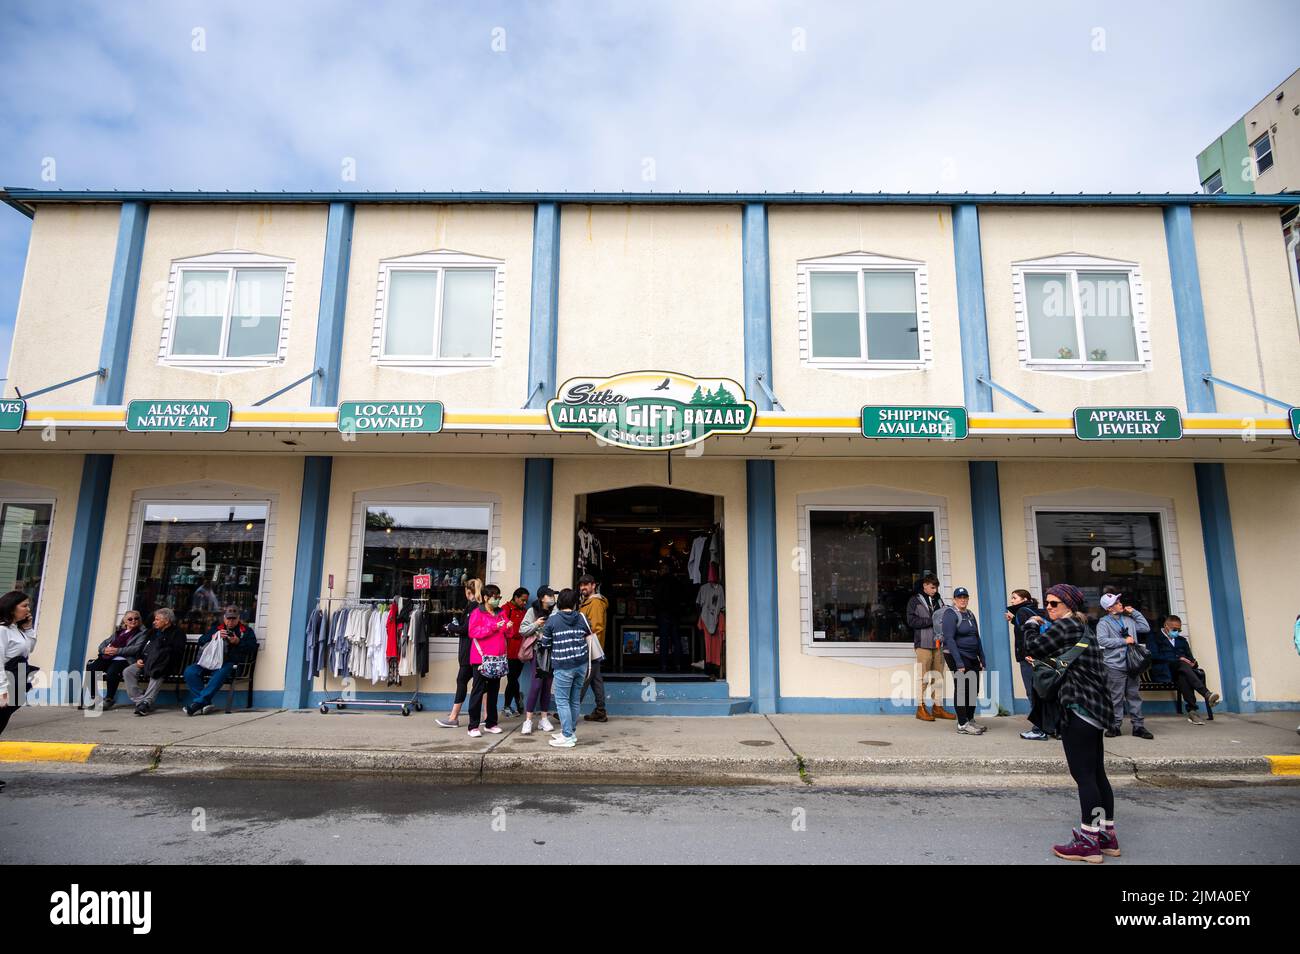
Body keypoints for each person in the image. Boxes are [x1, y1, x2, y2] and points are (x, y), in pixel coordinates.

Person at [1022, 583, 1117, 863]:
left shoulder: (1064, 627)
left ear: (1069, 606)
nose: (1049, 609)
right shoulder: (1084, 629)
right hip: (1097, 711)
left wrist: (1030, 622)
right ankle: (1105, 836)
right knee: (1097, 774)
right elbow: (1067, 661)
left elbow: (1032, 645)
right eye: (1047, 604)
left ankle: (1088, 842)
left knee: (1084, 776)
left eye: (1054, 604)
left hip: (1078, 710)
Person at [1095, 590, 1153, 739]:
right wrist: (1123, 641)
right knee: (1116, 696)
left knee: (1134, 695)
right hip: (1114, 664)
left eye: (1119, 601)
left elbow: (1145, 627)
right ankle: (1115, 726)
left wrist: (1135, 613)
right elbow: (1101, 640)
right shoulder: (1103, 623)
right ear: (1109, 608)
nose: (1120, 604)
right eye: (1116, 603)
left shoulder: (1129, 620)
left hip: (1132, 664)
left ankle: (1138, 726)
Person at [539, 588, 591, 748]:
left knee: (562, 701)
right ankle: (570, 732)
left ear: (559, 601)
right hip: (581, 664)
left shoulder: (553, 620)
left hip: (563, 665)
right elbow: (589, 633)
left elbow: (545, 643)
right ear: (575, 602)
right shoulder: (582, 617)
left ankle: (567, 735)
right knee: (574, 700)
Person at [183, 606, 257, 716]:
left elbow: (252, 647)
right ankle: (205, 703)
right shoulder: (217, 628)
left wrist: (238, 642)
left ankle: (197, 704)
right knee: (190, 671)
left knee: (222, 671)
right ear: (224, 618)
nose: (230, 621)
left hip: (231, 664)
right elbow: (201, 640)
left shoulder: (246, 631)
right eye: (228, 618)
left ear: (238, 618)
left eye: (233, 619)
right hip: (210, 662)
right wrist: (214, 636)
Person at [1148, 615, 1220, 725]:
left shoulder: (1181, 641)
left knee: (1183, 674)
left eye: (1179, 630)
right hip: (1164, 671)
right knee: (1182, 665)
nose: (1177, 632)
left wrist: (1193, 663)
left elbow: (1190, 657)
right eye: (1174, 629)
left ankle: (1192, 712)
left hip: (1181, 672)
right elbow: (1153, 656)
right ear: (1166, 626)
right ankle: (1205, 694)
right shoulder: (1154, 637)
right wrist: (1178, 659)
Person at [0, 591, 38, 786]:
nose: (28, 609)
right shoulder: (2, 631)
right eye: (24, 605)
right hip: (5, 682)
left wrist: (29, 629)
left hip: (17, 681)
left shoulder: (17, 629)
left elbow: (28, 649)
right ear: (11, 607)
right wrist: (2, 691)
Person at [436, 579, 485, 728]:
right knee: (482, 684)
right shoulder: (481, 606)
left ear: (468, 592)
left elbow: (467, 629)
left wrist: (451, 627)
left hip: (469, 651)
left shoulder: (472, 606)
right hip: (477, 651)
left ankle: (454, 717)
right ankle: (486, 716)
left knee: (462, 681)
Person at [905, 575, 954, 721]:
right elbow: (911, 621)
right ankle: (920, 708)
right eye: (932, 587)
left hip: (939, 643)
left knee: (938, 677)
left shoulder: (939, 600)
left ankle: (937, 707)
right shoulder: (914, 601)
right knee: (923, 677)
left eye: (936, 587)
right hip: (923, 644)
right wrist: (931, 620)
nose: (935, 590)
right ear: (925, 586)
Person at [938, 587, 985, 735]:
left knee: (973, 689)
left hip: (972, 656)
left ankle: (970, 719)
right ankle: (962, 724)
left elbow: (977, 637)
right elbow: (949, 639)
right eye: (959, 597)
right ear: (954, 599)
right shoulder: (950, 614)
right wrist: (958, 662)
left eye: (965, 597)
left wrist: (982, 658)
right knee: (962, 689)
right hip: (957, 656)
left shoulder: (970, 614)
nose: (963, 599)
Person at [124, 608, 188, 716]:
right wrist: (139, 658)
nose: (154, 622)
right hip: (146, 662)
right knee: (128, 671)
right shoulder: (153, 632)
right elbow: (142, 647)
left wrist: (163, 646)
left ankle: (146, 702)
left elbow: (177, 652)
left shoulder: (178, 633)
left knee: (157, 671)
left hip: (166, 664)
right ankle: (140, 701)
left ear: (167, 621)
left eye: (157, 619)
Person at [466, 584, 508, 738]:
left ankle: (491, 723)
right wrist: (493, 627)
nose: (497, 600)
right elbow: (473, 632)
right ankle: (473, 726)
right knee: (477, 691)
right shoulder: (477, 612)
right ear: (485, 598)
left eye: (499, 597)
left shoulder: (501, 612)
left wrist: (508, 627)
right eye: (495, 597)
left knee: (493, 692)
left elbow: (507, 633)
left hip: (497, 659)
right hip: (481, 658)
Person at [1008, 589, 1049, 740]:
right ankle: (1050, 727)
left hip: (1029, 659)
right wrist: (1013, 620)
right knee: (1041, 692)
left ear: (1024, 599)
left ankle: (1039, 729)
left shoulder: (1021, 612)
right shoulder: (1032, 610)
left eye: (1014, 598)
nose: (1012, 601)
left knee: (1032, 693)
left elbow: (1027, 634)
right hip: (1040, 657)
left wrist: (1027, 654)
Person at [86, 610, 147, 710]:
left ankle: (109, 699)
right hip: (109, 657)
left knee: (112, 672)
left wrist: (117, 651)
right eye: (130, 619)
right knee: (92, 668)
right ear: (125, 621)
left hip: (125, 659)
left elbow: (136, 648)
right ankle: (93, 697)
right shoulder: (119, 632)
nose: (133, 621)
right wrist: (104, 650)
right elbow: (104, 643)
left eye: (136, 618)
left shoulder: (142, 633)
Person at [519, 587, 557, 736]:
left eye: (553, 596)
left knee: (547, 686)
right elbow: (522, 630)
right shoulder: (532, 611)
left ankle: (543, 718)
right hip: (538, 652)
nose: (552, 598)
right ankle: (528, 720)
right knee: (536, 685)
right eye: (549, 596)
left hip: (552, 651)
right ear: (542, 598)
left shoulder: (555, 611)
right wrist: (536, 624)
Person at [578, 574, 609, 723]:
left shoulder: (595, 603)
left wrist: (584, 645)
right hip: (592, 647)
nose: (583, 587)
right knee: (596, 680)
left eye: (586, 584)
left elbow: (596, 627)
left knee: (582, 679)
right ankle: (600, 711)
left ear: (593, 585)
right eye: (581, 585)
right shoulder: (588, 602)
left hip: (590, 646)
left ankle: (570, 709)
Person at [501, 587, 529, 717]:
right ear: (516, 597)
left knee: (513, 678)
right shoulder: (506, 609)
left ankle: (516, 700)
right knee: (512, 678)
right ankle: (509, 704)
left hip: (522, 651)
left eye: (526, 601)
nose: (524, 603)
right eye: (523, 600)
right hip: (509, 650)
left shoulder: (525, 611)